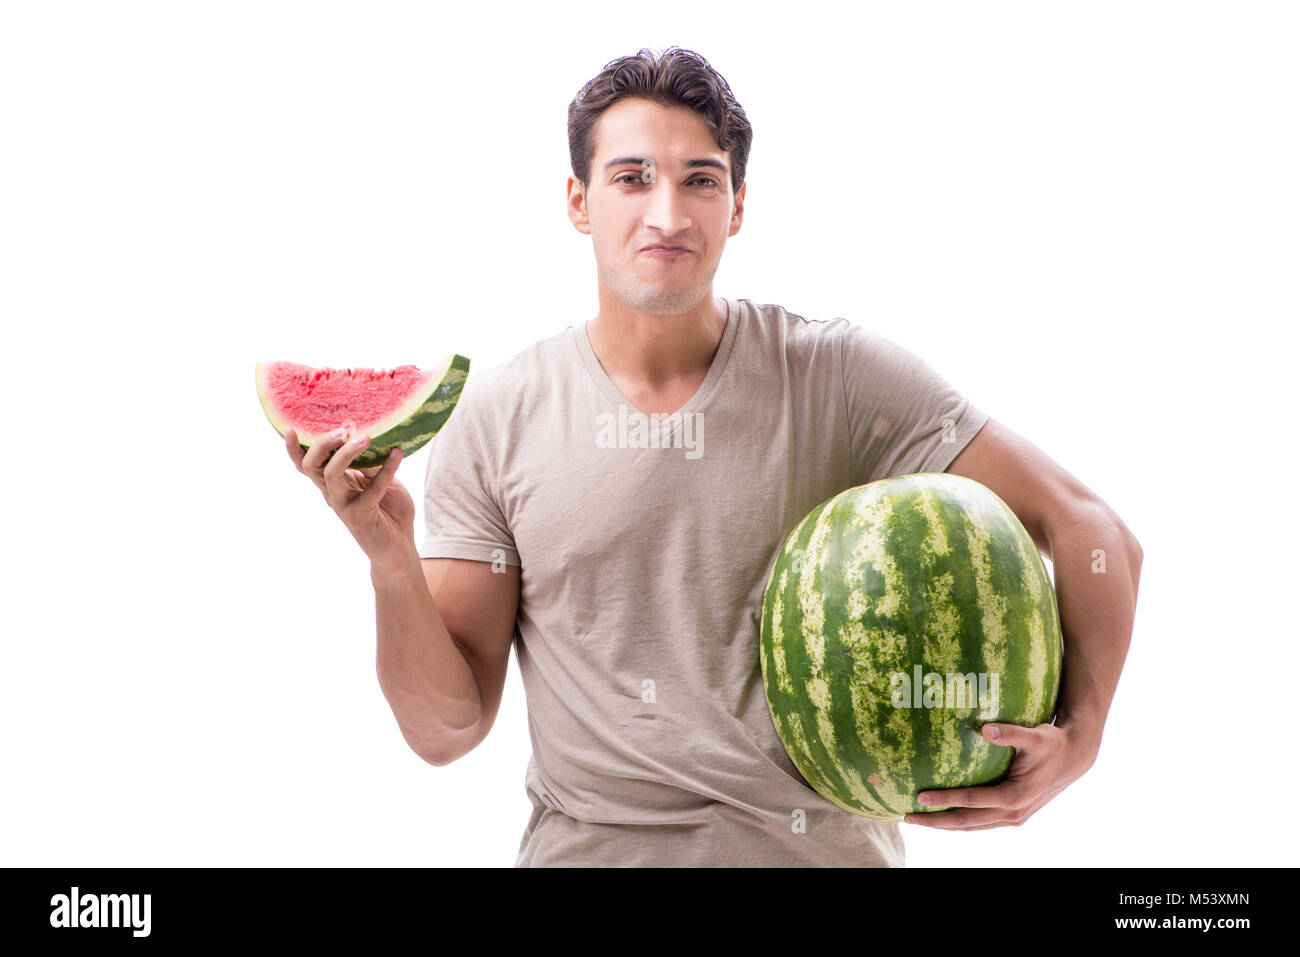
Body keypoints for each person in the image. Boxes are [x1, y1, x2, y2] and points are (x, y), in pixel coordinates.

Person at [286, 46, 1142, 867]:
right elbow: (447, 730)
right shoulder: (498, 417)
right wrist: (390, 560)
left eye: (700, 180)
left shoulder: (838, 376)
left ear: (736, 206)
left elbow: (1090, 528)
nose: (666, 214)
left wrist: (1085, 731)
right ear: (579, 201)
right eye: (631, 178)